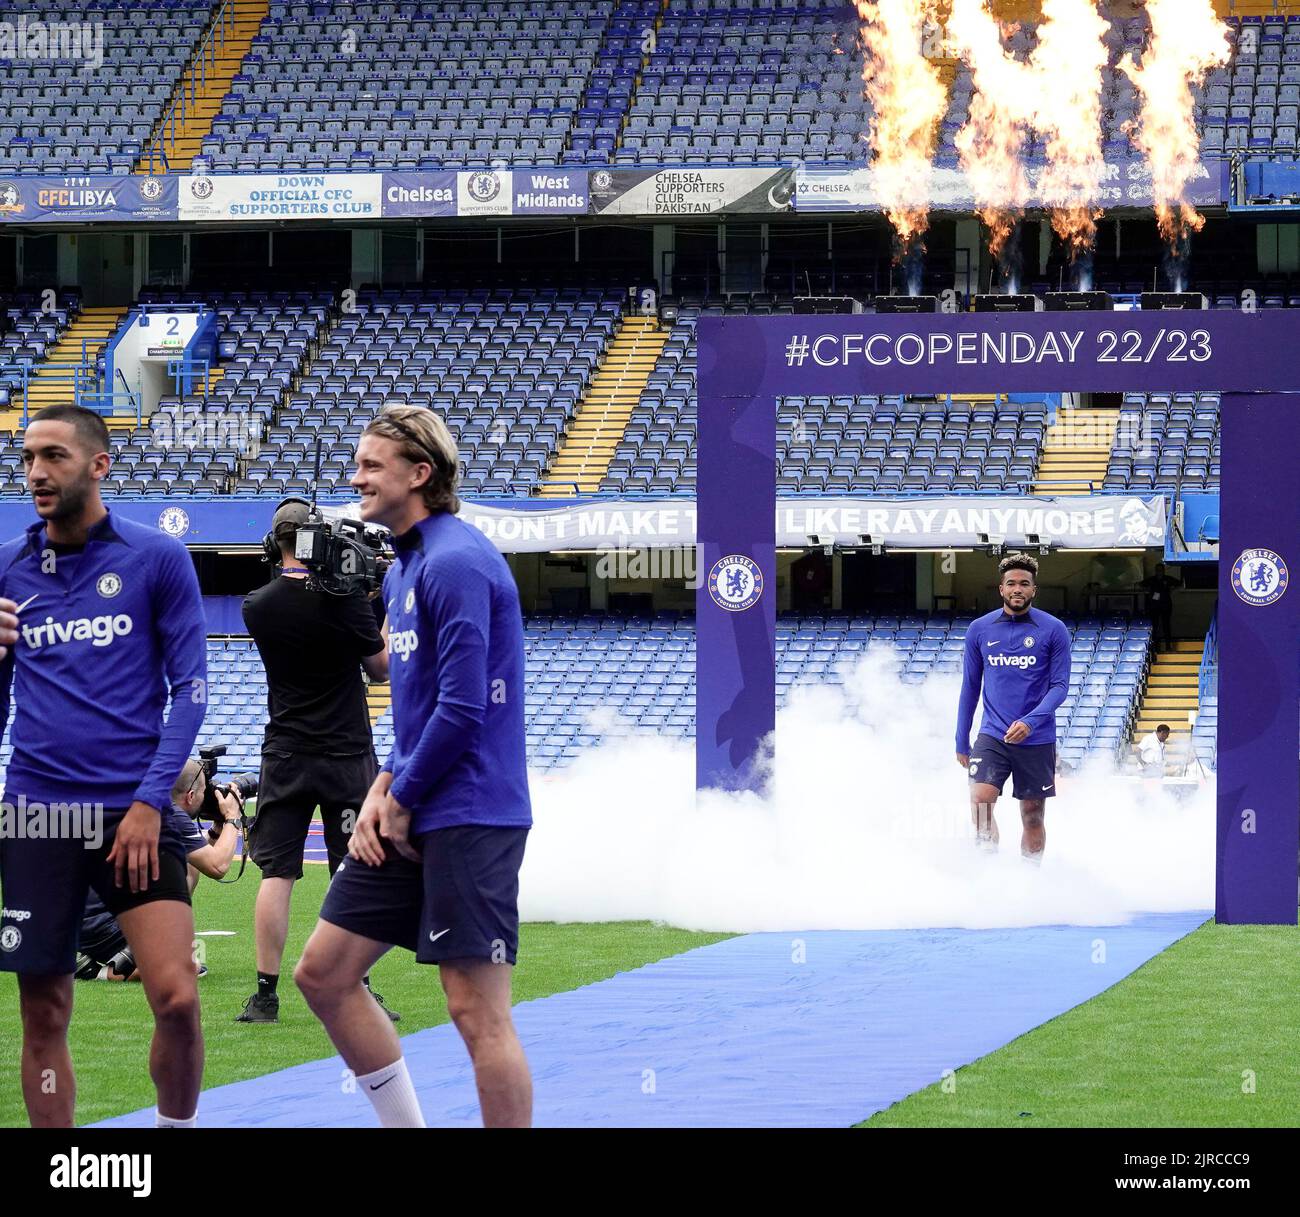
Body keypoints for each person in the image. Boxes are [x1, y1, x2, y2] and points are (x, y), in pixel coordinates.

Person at [295, 404, 533, 1129]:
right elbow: (416, 707)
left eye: (371, 464)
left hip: (470, 811)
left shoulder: (457, 560)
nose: (355, 476)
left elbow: (463, 710)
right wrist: (380, 788)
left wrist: (403, 795)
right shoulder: (404, 566)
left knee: (476, 1010)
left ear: (419, 473)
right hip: (415, 797)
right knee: (325, 973)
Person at [0, 404, 207, 1128]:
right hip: (35, 814)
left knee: (177, 996)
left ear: (98, 464)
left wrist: (153, 801)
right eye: (27, 457)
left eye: (53, 456)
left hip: (133, 809)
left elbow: (192, 692)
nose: (34, 472)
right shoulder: (8, 567)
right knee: (46, 1010)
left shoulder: (156, 557)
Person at [237, 498, 394, 1024]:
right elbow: (380, 671)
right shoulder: (345, 598)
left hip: (285, 753)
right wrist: (381, 600)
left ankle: (264, 996)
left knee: (276, 875)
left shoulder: (256, 605)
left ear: (274, 544)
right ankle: (360, 988)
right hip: (347, 751)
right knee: (351, 870)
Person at [75, 760, 243, 981]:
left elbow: (197, 861)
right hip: (102, 922)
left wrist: (215, 831)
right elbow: (218, 866)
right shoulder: (169, 814)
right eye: (204, 792)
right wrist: (232, 818)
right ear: (191, 796)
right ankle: (97, 972)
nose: (206, 798)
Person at [955, 553, 1072, 862]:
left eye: (1024, 583)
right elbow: (970, 687)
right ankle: (988, 870)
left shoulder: (1054, 629)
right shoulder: (980, 630)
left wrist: (1031, 722)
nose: (1017, 589)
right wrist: (960, 739)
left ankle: (1029, 884)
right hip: (993, 734)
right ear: (1001, 589)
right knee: (980, 801)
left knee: (1032, 814)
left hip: (1036, 738)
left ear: (1033, 590)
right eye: (1011, 583)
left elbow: (1060, 687)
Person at [1139, 563, 1180, 652]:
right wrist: (1149, 592)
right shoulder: (1152, 580)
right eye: (1158, 570)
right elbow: (1141, 584)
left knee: (1166, 625)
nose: (1159, 572)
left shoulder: (1168, 579)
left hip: (1165, 604)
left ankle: (1168, 646)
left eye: (1161, 570)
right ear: (1156, 571)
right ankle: (1155, 646)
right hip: (1155, 605)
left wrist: (1172, 590)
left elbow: (1179, 583)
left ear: (1163, 571)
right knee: (1155, 626)